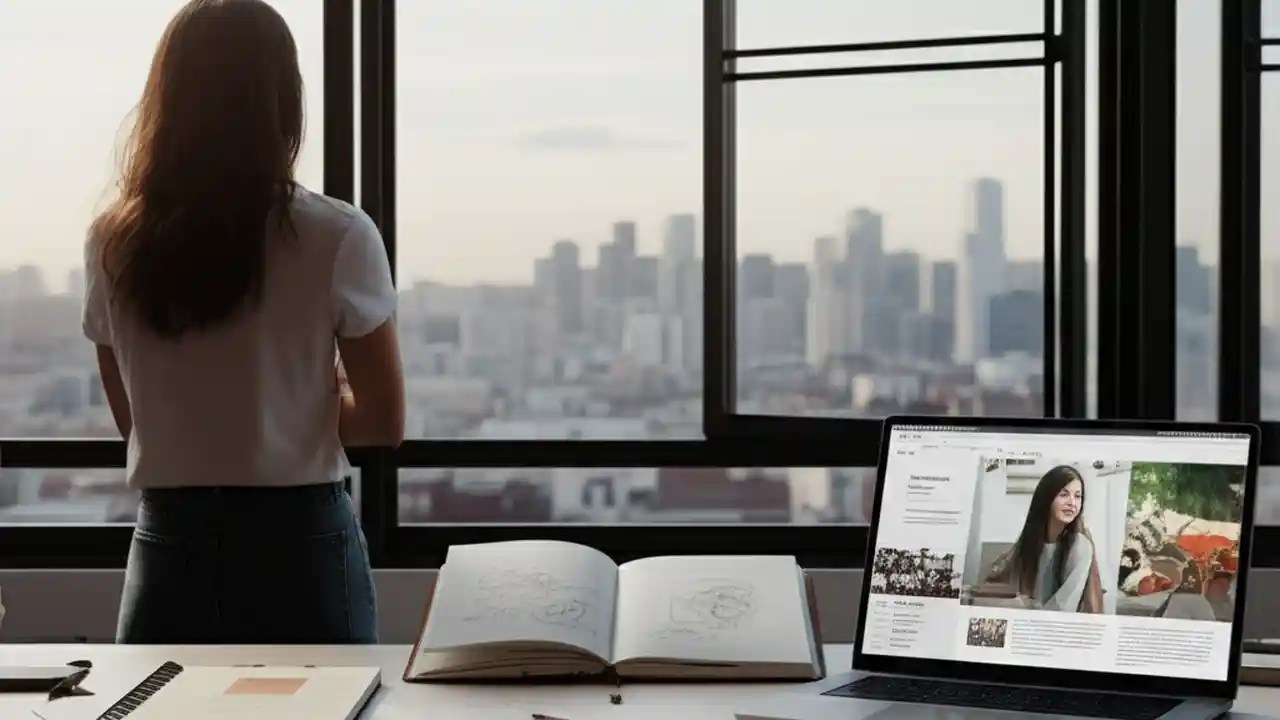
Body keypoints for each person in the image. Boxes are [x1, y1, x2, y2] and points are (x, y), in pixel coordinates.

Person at [82, 0, 404, 644]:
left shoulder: (115, 240)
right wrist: (292, 403)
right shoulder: (335, 233)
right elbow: (382, 421)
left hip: (169, 542)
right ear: (283, 100)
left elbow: (135, 415)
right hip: (299, 545)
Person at [986, 465, 1104, 613]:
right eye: (1064, 494)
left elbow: (1063, 608)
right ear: (1046, 497)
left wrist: (1027, 607)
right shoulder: (1031, 543)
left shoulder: (1080, 545)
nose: (1072, 503)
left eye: (1078, 496)